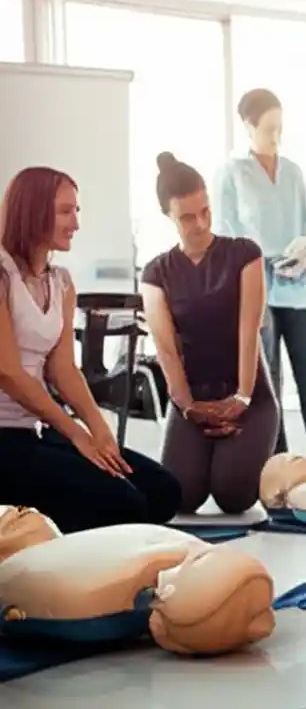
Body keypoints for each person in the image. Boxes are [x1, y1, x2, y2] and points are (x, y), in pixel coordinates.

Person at [0, 167, 180, 532]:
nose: (76, 223)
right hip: (5, 438)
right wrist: (75, 433)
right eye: (66, 211)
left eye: (76, 211)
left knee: (163, 491)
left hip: (38, 431)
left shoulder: (61, 282)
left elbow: (63, 369)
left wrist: (99, 431)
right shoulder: (2, 275)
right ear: (33, 211)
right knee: (125, 504)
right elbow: (9, 372)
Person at [141, 153, 279, 514]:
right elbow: (166, 350)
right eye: (187, 217)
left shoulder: (245, 254)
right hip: (193, 399)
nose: (200, 223)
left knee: (232, 495)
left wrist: (242, 398)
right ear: (167, 215)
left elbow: (249, 331)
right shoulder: (155, 274)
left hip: (249, 394)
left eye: (205, 211)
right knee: (180, 495)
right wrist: (189, 407)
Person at [215, 88, 306, 465]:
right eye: (269, 129)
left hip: (298, 288)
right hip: (259, 292)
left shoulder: (293, 172)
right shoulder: (231, 174)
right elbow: (226, 237)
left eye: (280, 128)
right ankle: (279, 461)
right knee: (271, 383)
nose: (277, 136)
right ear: (248, 126)